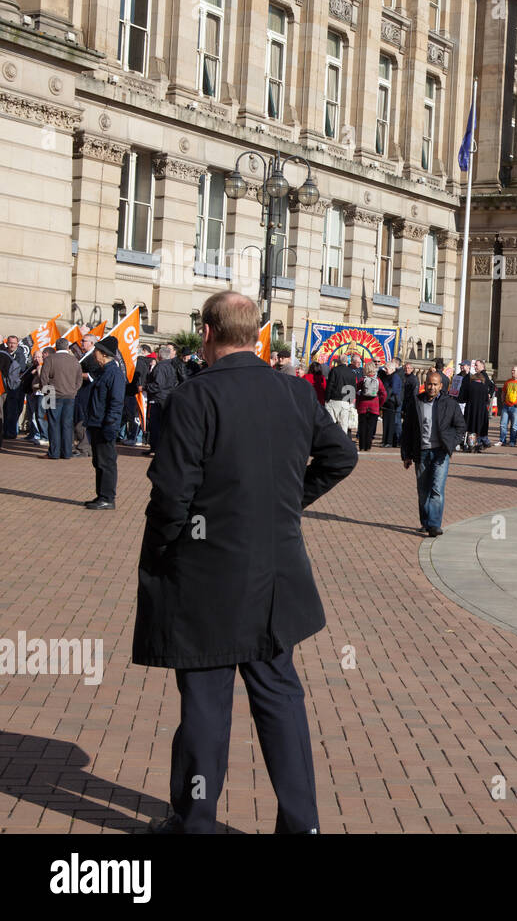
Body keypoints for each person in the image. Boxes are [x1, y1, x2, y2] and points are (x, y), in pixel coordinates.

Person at [135, 291, 357, 834]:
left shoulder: (194, 397)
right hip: (273, 577)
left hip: (207, 576)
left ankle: (195, 822)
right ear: (257, 334)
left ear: (208, 333)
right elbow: (341, 455)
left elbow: (170, 496)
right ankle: (301, 824)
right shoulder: (295, 392)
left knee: (207, 706)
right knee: (279, 699)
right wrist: (289, 501)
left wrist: (167, 547)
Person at [401, 368, 467, 537]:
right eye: (429, 384)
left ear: (441, 386)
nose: (432, 387)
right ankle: (425, 522)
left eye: (435, 384)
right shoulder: (416, 402)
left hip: (440, 452)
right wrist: (406, 455)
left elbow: (461, 426)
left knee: (436, 489)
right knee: (423, 491)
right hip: (421, 452)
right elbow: (407, 430)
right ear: (425, 385)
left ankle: (435, 525)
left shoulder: (450, 404)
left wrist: (450, 445)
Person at [83, 336, 125, 510]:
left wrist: (110, 425)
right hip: (96, 423)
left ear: (104, 354)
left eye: (96, 351)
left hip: (104, 424)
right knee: (98, 462)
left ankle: (108, 497)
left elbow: (116, 402)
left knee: (106, 462)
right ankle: (101, 495)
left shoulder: (113, 373)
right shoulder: (104, 371)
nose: (94, 354)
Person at [40, 337, 82, 459]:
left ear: (56, 347)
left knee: (53, 424)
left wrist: (46, 393)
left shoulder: (50, 359)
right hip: (70, 396)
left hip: (51, 394)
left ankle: (54, 452)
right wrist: (74, 390)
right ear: (67, 347)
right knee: (67, 424)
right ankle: (67, 452)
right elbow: (79, 380)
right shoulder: (74, 360)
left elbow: (44, 378)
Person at [143, 343, 185, 456]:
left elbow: (158, 384)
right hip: (165, 398)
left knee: (155, 425)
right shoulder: (170, 366)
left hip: (158, 399)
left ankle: (155, 448)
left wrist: (145, 387)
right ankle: (156, 448)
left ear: (160, 356)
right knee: (160, 425)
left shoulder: (161, 366)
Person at [355, 360, 388, 451]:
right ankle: (368, 446)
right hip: (374, 407)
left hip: (363, 406)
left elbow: (355, 390)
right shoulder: (378, 381)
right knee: (371, 428)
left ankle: (362, 446)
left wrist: (357, 402)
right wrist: (379, 404)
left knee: (362, 427)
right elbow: (384, 394)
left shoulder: (362, 380)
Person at [324, 355, 358, 435]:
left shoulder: (334, 370)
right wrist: (351, 402)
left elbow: (330, 385)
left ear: (338, 361)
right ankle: (343, 444)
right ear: (347, 361)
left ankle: (331, 442)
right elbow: (353, 388)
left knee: (331, 424)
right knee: (344, 426)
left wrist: (327, 398)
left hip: (333, 400)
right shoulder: (352, 373)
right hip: (345, 401)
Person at [498, 365, 517, 447]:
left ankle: (512, 441)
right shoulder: (508, 381)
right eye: (512, 370)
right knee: (503, 424)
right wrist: (503, 400)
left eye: (514, 370)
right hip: (506, 406)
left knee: (514, 426)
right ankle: (502, 440)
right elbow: (503, 391)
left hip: (516, 407)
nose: (512, 372)